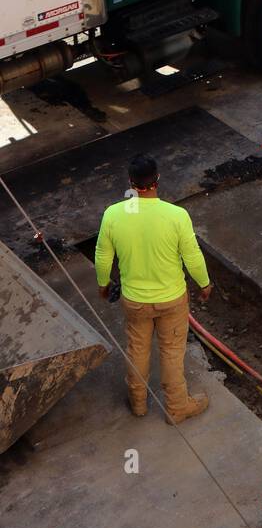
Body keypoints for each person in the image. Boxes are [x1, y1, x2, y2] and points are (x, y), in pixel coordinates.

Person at [95, 154, 213, 425]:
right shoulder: (176, 216)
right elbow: (192, 256)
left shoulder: (113, 215)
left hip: (135, 301)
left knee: (137, 348)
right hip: (172, 299)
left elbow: (103, 256)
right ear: (157, 180)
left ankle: (138, 403)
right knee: (172, 352)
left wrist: (103, 285)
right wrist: (204, 284)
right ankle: (177, 408)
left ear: (130, 183)